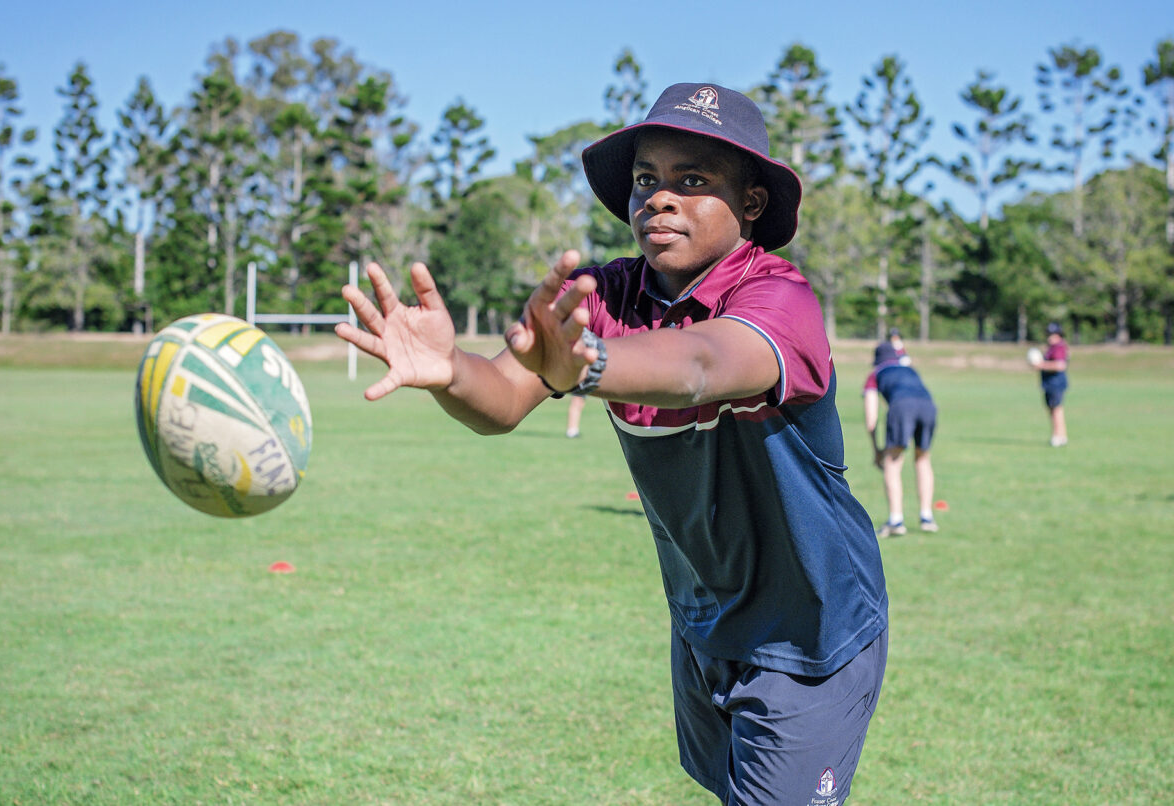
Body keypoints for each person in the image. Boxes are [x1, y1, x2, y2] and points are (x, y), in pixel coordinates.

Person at [335, 83, 887, 805]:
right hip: (704, 623)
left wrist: (590, 364)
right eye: (646, 180)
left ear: (752, 204)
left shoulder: (779, 298)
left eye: (693, 181)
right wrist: (450, 372)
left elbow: (698, 366)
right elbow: (501, 402)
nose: (659, 199)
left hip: (811, 634)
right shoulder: (607, 295)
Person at [863, 340, 939, 537]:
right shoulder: (910, 369)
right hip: (928, 405)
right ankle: (926, 517)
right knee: (922, 458)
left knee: (892, 461)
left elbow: (871, 418)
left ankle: (896, 520)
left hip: (902, 406)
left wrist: (877, 451)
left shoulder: (875, 374)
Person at [1031, 322, 1069, 447]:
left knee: (1056, 409)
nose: (1049, 336)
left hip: (1055, 383)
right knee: (1053, 409)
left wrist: (1041, 365)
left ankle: (1058, 436)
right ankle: (1060, 435)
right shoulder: (1051, 347)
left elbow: (1060, 365)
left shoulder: (1059, 347)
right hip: (1049, 383)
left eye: (1052, 334)